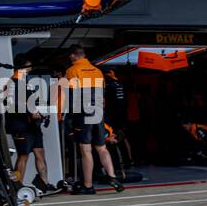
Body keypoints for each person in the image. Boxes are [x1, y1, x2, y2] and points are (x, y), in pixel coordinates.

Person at [64, 46, 123, 194]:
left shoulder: (72, 70)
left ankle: (88, 186)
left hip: (84, 113)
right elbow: (102, 96)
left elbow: (72, 97)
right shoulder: (97, 71)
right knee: (101, 147)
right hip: (98, 112)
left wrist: (70, 119)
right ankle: (112, 176)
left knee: (86, 150)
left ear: (73, 56)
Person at [7, 56, 56, 194]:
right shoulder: (12, 82)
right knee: (23, 155)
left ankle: (44, 184)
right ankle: (16, 187)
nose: (30, 68)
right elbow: (11, 105)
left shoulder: (25, 81)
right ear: (21, 66)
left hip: (33, 125)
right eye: (29, 66)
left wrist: (40, 110)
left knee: (40, 153)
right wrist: (30, 112)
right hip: (20, 126)